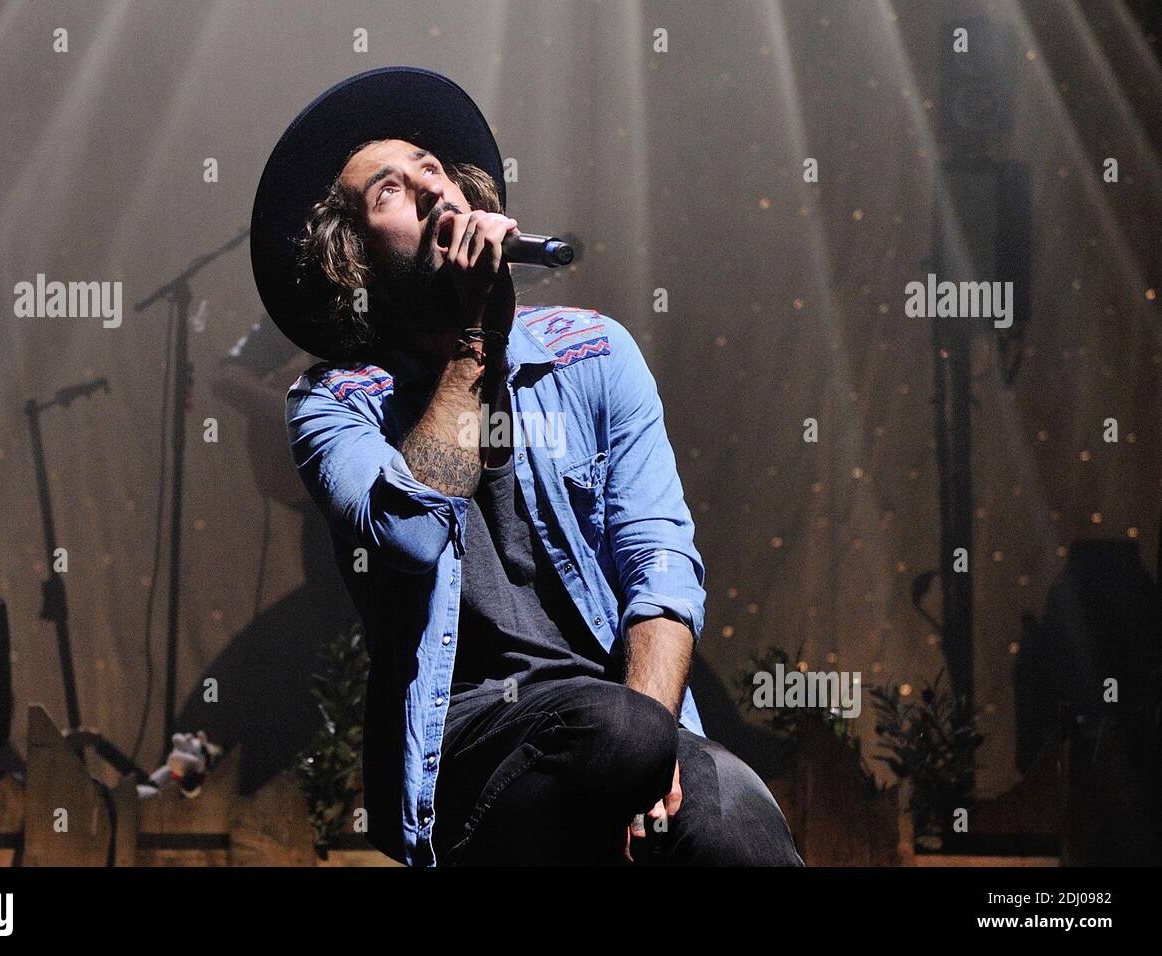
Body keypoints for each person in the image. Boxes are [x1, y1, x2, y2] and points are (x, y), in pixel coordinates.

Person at [250, 66, 804, 867]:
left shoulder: (595, 353)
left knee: (738, 828)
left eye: (431, 167)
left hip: (627, 717)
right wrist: (472, 341)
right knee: (608, 730)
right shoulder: (335, 402)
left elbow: (662, 564)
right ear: (355, 260)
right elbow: (405, 532)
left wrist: (649, 759)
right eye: (390, 193)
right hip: (474, 739)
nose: (432, 189)